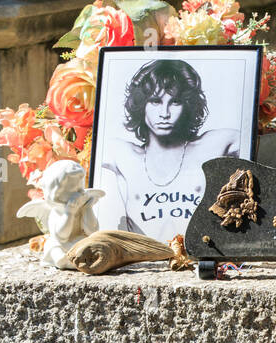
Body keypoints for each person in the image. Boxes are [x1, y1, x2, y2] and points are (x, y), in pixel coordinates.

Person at [96, 59, 240, 243]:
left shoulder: (214, 145)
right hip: (144, 261)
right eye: (155, 102)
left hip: (203, 255)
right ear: (141, 105)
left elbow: (252, 135)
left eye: (175, 102)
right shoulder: (121, 153)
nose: (164, 113)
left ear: (188, 105)